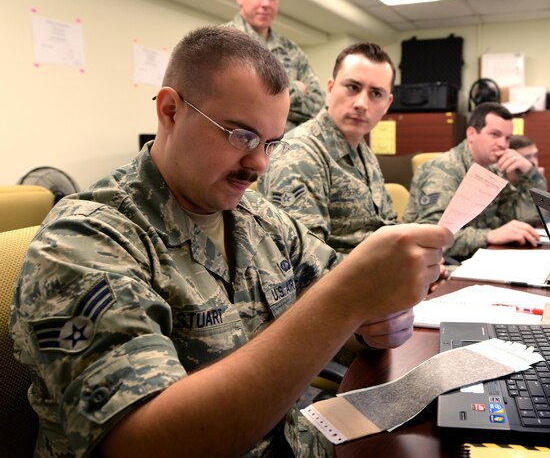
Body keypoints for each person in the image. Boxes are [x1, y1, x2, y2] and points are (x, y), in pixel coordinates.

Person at [9, 26, 452, 458]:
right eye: (242, 135)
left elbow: (352, 313)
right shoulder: (84, 240)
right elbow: (142, 443)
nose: (259, 163)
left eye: (272, 143)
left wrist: (371, 321)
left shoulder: (259, 220)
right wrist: (346, 300)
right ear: (169, 111)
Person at [262, 42, 396, 255]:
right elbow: (307, 263)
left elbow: (386, 223)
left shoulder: (364, 152)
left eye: (376, 94)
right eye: (353, 87)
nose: (362, 103)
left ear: (387, 103)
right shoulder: (300, 154)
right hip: (345, 284)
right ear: (331, 88)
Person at [404, 102, 544, 260]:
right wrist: (489, 236)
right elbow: (432, 237)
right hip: (439, 264)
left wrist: (530, 173)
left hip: (476, 258)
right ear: (471, 134)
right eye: (494, 134)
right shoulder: (443, 170)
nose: (503, 145)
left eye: (507, 138)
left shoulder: (493, 171)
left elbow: (523, 218)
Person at [224, 0, 325, 131]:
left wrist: (264, 94)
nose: (266, 3)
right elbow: (231, 101)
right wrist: (295, 89)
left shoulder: (292, 50)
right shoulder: (223, 43)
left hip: (289, 151)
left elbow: (318, 105)